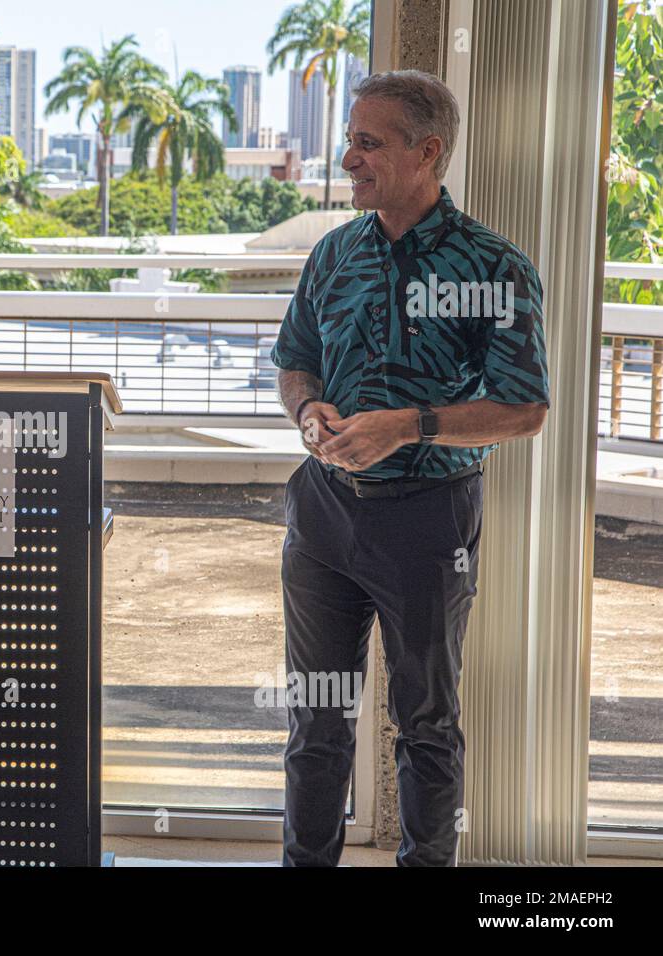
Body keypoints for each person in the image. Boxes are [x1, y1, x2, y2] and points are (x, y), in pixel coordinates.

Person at [270, 70, 549, 866]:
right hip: (322, 514)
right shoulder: (333, 252)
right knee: (315, 719)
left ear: (428, 152)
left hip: (429, 519)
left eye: (368, 142)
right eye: (351, 139)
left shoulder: (494, 267)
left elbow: (525, 409)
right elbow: (295, 359)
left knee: (426, 722)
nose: (349, 157)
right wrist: (306, 411)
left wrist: (411, 427)